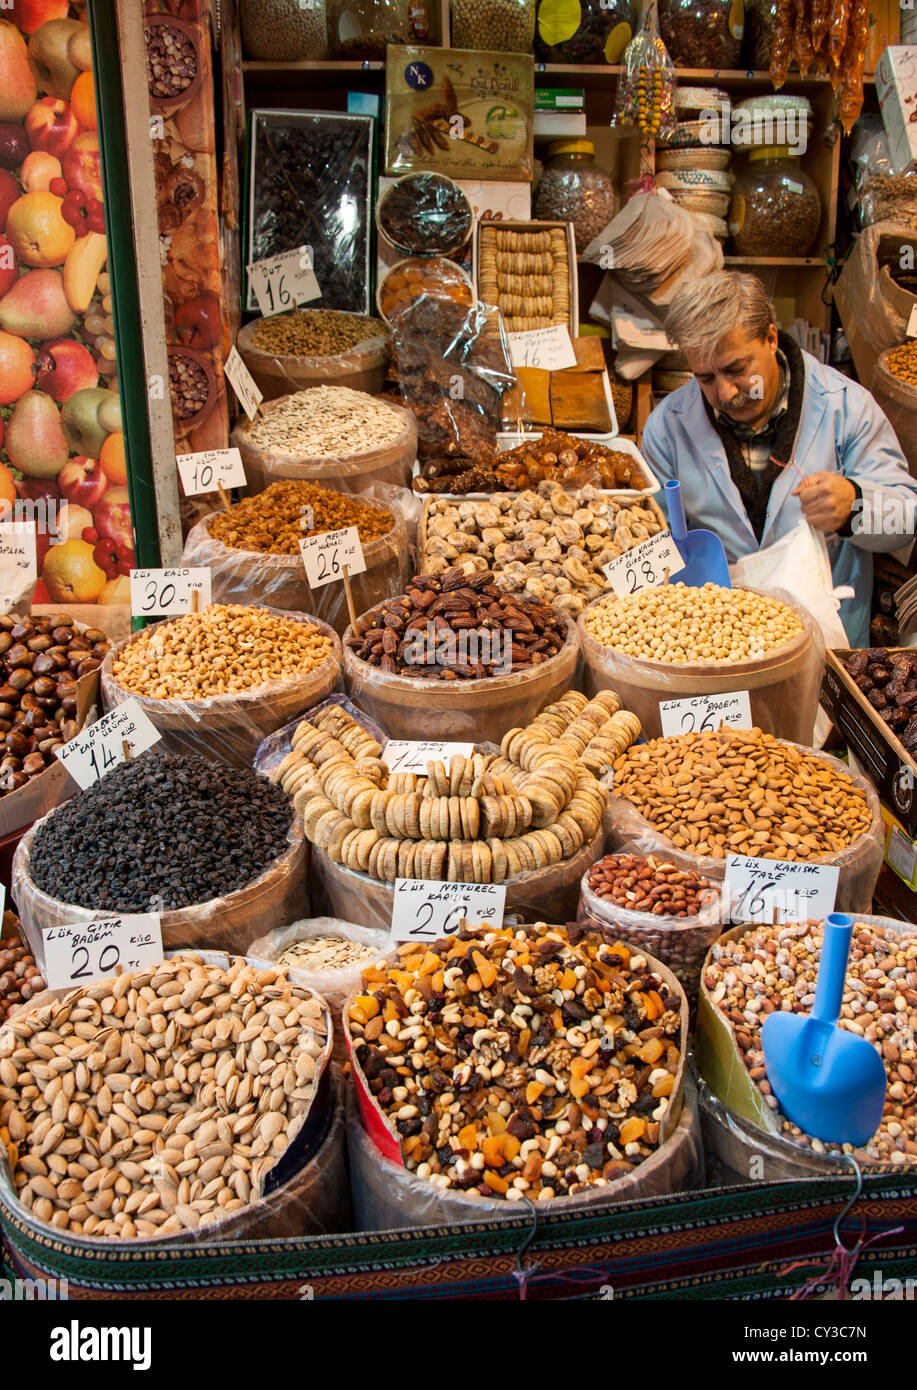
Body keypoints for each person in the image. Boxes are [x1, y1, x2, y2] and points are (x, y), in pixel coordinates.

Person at [640, 270, 917, 647]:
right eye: (704, 377)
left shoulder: (846, 407)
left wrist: (856, 505)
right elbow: (648, 540)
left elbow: (907, 517)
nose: (724, 392)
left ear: (771, 338)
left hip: (826, 644)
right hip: (713, 644)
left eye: (737, 370)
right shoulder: (667, 427)